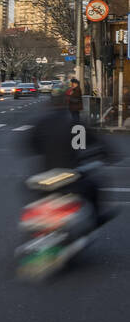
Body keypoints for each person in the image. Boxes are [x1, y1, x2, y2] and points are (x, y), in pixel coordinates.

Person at [24, 90, 114, 226]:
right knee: (93, 187)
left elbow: (30, 147)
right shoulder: (74, 123)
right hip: (69, 176)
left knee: (29, 193)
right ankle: (96, 219)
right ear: (66, 103)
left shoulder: (42, 123)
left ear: (49, 104)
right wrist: (106, 154)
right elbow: (87, 146)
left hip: (45, 176)